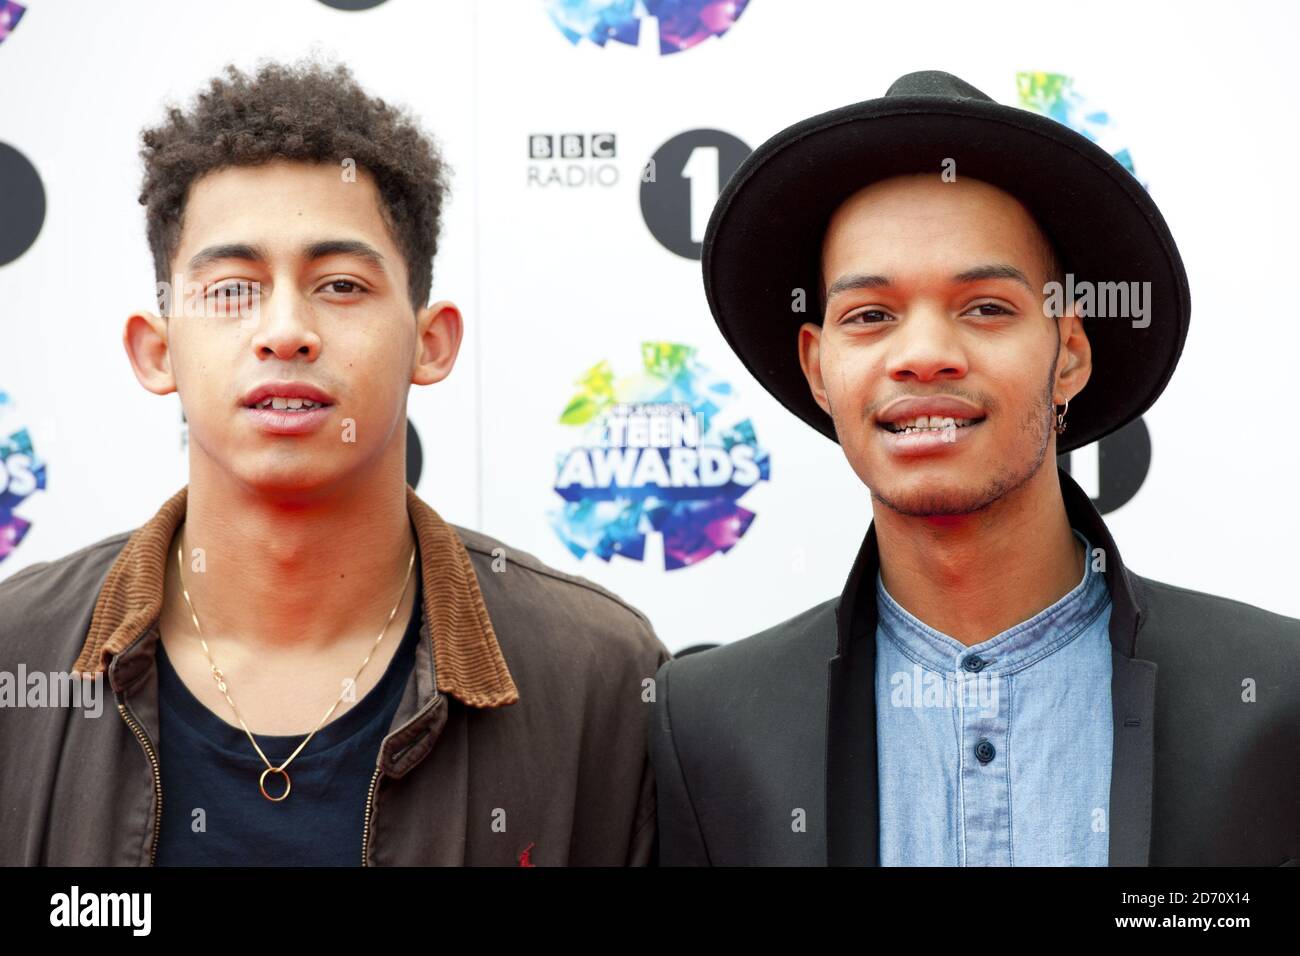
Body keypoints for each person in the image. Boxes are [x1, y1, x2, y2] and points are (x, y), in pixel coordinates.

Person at [0, 58, 667, 866]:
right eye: (232, 289)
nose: (285, 330)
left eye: (342, 285)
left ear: (431, 341)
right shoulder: (18, 656)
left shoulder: (597, 675)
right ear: (156, 349)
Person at [648, 70, 1300, 866]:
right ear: (819, 370)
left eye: (986, 307)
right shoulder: (708, 723)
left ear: (1070, 354)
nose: (923, 356)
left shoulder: (1275, 695)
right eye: (871, 316)